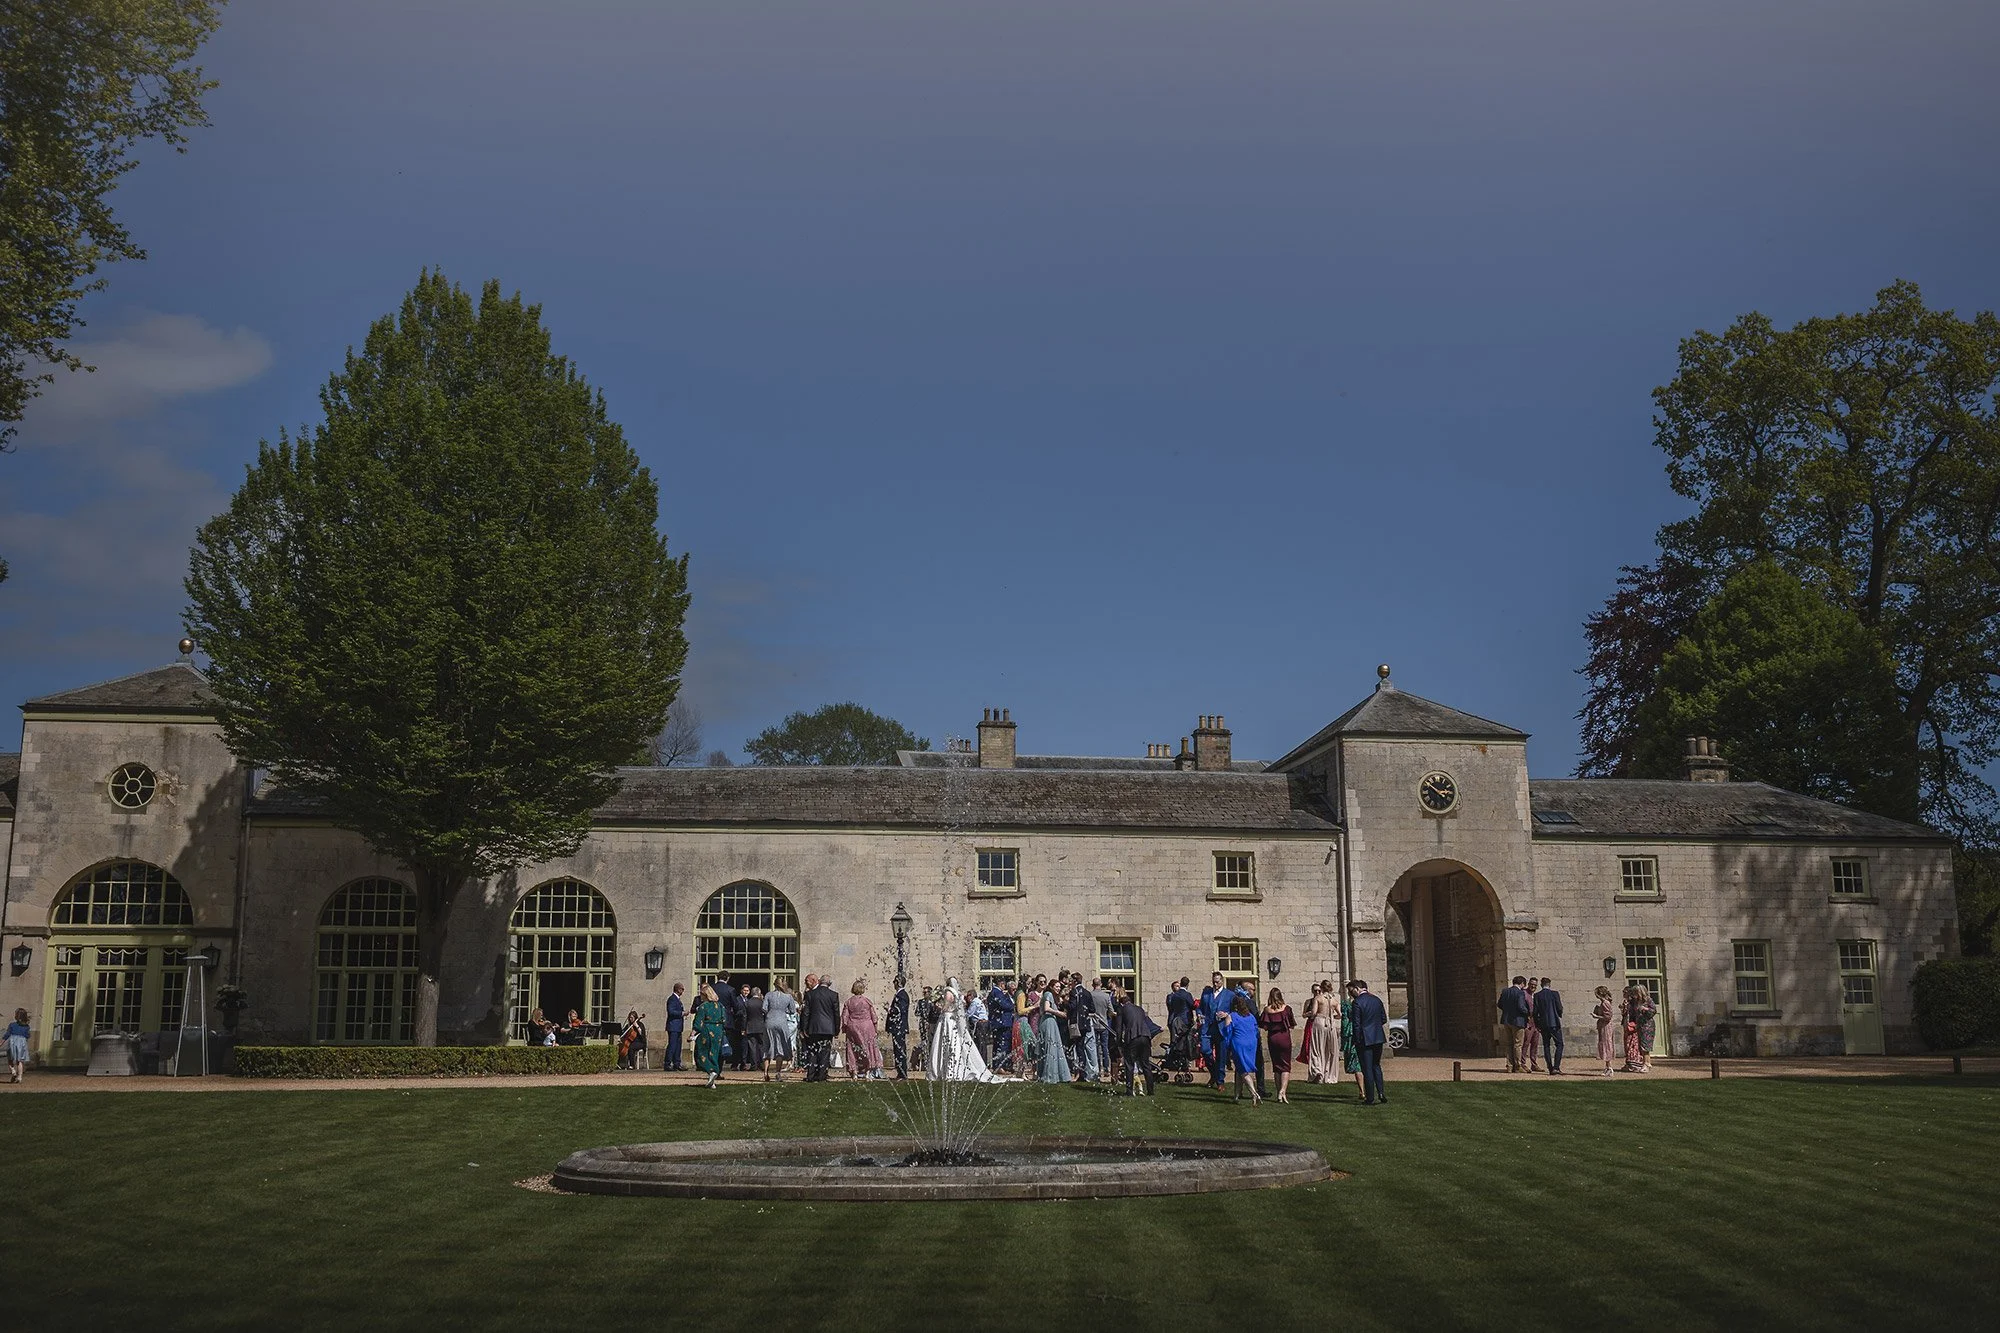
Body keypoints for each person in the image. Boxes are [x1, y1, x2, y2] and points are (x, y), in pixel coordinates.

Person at [927, 977, 1008, 1082]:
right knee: (953, 1043)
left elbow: (946, 1008)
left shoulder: (948, 992)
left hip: (947, 1019)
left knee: (945, 1043)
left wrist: (937, 1006)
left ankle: (947, 1070)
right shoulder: (957, 994)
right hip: (953, 1020)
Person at [1111, 989, 1161, 1096]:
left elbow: (1118, 1028)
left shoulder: (1121, 1009)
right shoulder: (1139, 1009)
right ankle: (1151, 1091)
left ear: (1121, 1002)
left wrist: (1119, 1043)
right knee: (1145, 1064)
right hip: (1146, 1036)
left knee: (1129, 1064)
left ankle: (1129, 1091)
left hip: (1133, 1036)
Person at [1219, 992, 1262, 1104]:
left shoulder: (1231, 1016)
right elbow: (1256, 1030)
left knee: (1243, 1070)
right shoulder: (1251, 1016)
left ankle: (1254, 1093)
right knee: (1239, 1069)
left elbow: (1227, 1032)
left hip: (1239, 1044)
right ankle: (1236, 1095)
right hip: (1251, 1044)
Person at [1351, 979, 1388, 1106]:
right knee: (1376, 1066)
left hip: (1365, 1039)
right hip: (1378, 1037)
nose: (1351, 993)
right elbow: (1384, 1018)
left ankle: (1370, 1097)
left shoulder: (1357, 1003)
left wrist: (1356, 1040)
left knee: (1367, 1069)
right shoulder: (1377, 1000)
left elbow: (1356, 1024)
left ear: (1357, 988)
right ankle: (1381, 1092)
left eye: (1351, 990)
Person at [801, 973, 841, 1082]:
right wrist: (837, 1029)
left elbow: (806, 1013)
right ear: (829, 983)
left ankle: (811, 1075)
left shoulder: (811, 994)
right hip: (828, 1028)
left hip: (813, 1027)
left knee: (813, 1051)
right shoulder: (833, 995)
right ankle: (822, 1076)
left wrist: (804, 1028)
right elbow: (836, 1014)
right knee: (825, 1052)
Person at [1261, 988, 1297, 1103]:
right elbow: (1292, 1025)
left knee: (1276, 1066)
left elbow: (1262, 1024)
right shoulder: (1286, 1009)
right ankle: (1283, 1091)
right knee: (1286, 1065)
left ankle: (1278, 1093)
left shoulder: (1267, 1009)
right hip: (1284, 1037)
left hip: (1273, 1038)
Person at [842, 979, 883, 1079]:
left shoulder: (849, 1002)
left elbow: (844, 1017)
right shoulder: (867, 1001)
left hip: (853, 1026)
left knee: (853, 1049)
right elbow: (874, 1017)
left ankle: (855, 1071)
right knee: (868, 1048)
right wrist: (876, 1028)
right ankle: (868, 1071)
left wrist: (844, 1028)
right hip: (867, 1027)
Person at [692, 982, 727, 1088]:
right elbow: (724, 1020)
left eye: (702, 995)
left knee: (701, 1053)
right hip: (718, 1031)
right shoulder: (720, 1006)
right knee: (714, 1053)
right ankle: (713, 1079)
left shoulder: (704, 1007)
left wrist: (692, 1034)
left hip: (707, 1031)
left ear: (706, 995)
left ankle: (711, 1071)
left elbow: (698, 1022)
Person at [1035, 985, 1071, 1084]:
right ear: (1051, 987)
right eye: (1056, 986)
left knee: (1053, 1047)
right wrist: (1059, 1013)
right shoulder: (1048, 994)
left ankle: (1053, 1073)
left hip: (1050, 1022)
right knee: (1050, 1047)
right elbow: (1046, 1008)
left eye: (1059, 987)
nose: (1058, 988)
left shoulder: (1050, 996)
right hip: (1048, 1021)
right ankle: (1050, 1074)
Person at [1306, 981, 1340, 1084]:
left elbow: (1314, 1012)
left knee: (1317, 1048)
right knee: (1330, 1050)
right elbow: (1340, 1015)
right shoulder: (1334, 1000)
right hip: (1331, 1024)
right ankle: (1329, 1076)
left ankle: (1317, 1072)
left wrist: (1308, 1014)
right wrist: (1332, 1017)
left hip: (1320, 1021)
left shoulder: (1318, 998)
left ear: (1321, 988)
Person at [763, 980, 798, 1081]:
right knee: (780, 1047)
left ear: (774, 985)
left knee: (767, 1046)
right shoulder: (788, 997)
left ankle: (766, 1072)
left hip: (769, 1021)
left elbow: (764, 1008)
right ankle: (778, 1073)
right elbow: (792, 1011)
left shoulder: (769, 995)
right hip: (781, 1021)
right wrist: (783, 1010)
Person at [1066, 980, 1100, 1081]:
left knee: (1077, 1049)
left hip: (1076, 1025)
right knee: (1083, 1048)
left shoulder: (1074, 992)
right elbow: (1092, 1009)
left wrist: (1064, 1003)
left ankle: (1080, 1073)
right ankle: (1085, 1072)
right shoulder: (1087, 993)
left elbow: (1072, 1007)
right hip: (1085, 1025)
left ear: (1075, 981)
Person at [1498, 975, 1532, 1072]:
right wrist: (1528, 1013)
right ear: (1522, 983)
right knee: (1518, 1044)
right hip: (1518, 1021)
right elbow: (1521, 1007)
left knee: (1509, 1044)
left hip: (1506, 1020)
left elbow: (1500, 1004)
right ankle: (1518, 1065)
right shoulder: (1520, 993)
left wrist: (1507, 1011)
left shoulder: (1505, 991)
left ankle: (1509, 1065)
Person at [1198, 972, 1226, 1087]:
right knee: (1205, 1051)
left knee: (1221, 1056)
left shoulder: (1229, 995)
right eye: (1214, 981)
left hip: (1221, 1028)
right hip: (1207, 1028)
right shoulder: (1206, 993)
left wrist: (1226, 1014)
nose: (1215, 984)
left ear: (1222, 981)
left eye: (1218, 981)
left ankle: (1220, 1081)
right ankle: (1214, 1073)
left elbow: (1234, 1011)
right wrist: (1199, 1014)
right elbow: (1200, 1008)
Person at [712, 973, 744, 1071]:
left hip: (713, 1018)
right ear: (728, 978)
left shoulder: (712, 988)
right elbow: (736, 1006)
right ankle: (719, 1069)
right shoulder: (730, 990)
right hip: (726, 1021)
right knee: (723, 1045)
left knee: (714, 1045)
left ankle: (713, 1068)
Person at [1532, 976, 1564, 1075]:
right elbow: (1559, 1007)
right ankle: (1556, 1067)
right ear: (1549, 984)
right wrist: (1559, 1014)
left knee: (1546, 1045)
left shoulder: (1537, 995)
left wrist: (1538, 1024)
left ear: (1541, 985)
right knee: (1559, 1044)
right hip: (1554, 1022)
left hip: (1543, 1024)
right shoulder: (1554, 994)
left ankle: (1550, 1068)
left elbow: (1535, 1012)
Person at [1623, 983, 1657, 1072]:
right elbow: (1632, 1013)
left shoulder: (1648, 1000)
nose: (1634, 995)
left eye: (1635, 993)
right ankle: (1645, 1063)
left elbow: (1653, 1011)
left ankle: (1647, 1064)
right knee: (1641, 1045)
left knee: (1645, 1045)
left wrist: (1645, 1009)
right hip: (1639, 1024)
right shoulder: (1635, 1002)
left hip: (1647, 1025)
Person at [1339, 982, 1364, 1096]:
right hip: (1359, 1034)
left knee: (1357, 1064)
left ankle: (1362, 1091)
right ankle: (1363, 1091)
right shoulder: (1360, 1002)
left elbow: (1345, 1021)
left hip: (1352, 1035)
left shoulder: (1349, 1004)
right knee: (1360, 1064)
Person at [885, 976, 912, 1079]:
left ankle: (902, 1072)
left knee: (900, 1049)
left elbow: (900, 1010)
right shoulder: (899, 994)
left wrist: (889, 1010)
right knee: (897, 1049)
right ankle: (900, 1072)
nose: (893, 983)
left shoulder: (902, 995)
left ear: (898, 983)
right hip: (897, 1027)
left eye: (894, 981)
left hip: (899, 1027)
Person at [986, 978, 1016, 1068]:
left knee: (1000, 1044)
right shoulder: (997, 992)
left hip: (1001, 1022)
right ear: (1001, 984)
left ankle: (1000, 1065)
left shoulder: (996, 992)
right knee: (1002, 1044)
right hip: (1001, 1022)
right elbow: (1004, 1005)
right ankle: (999, 1066)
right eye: (1004, 985)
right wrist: (1013, 1005)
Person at [1592, 984, 1618, 1077]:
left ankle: (1609, 1067)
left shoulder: (1605, 1003)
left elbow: (1608, 1017)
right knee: (1605, 1044)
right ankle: (1607, 1066)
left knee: (1607, 1045)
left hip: (1606, 1026)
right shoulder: (1604, 1003)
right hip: (1604, 1025)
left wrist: (1597, 1016)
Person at [741, 986, 768, 1074]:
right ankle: (761, 1063)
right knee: (761, 1046)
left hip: (750, 1026)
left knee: (752, 1046)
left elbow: (744, 1017)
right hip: (761, 1026)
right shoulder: (762, 1002)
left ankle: (754, 1065)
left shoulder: (748, 1002)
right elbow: (766, 1013)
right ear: (759, 993)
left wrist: (743, 1028)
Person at [1522, 978, 1543, 1071]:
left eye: (1535, 985)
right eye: (1531, 984)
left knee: (1535, 1044)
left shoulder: (1536, 995)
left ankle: (1534, 1064)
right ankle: (1522, 1063)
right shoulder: (1524, 994)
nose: (1533, 986)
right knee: (1525, 1044)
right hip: (1528, 1023)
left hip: (1536, 1023)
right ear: (1528, 984)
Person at [664, 983, 687, 1071]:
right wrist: (682, 1013)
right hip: (673, 1026)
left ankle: (677, 1063)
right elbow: (671, 1011)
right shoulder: (672, 999)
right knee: (672, 1045)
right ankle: (667, 1063)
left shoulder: (678, 1000)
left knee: (678, 1046)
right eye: (682, 989)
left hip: (678, 1026)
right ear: (678, 989)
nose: (683, 991)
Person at [967, 986, 990, 1063]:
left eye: (968, 996)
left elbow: (969, 1013)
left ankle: (981, 1062)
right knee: (983, 1043)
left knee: (980, 1043)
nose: (967, 998)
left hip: (981, 1024)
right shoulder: (979, 1001)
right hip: (984, 1023)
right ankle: (984, 1061)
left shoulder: (974, 1002)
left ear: (971, 996)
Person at [6, 1008, 30, 1083]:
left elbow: (7, 1034)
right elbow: (27, 1036)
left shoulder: (12, 1025)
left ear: (16, 1016)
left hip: (12, 1042)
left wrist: (1, 1042)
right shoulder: (26, 1026)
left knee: (10, 1059)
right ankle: (20, 1077)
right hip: (21, 1043)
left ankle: (13, 1072)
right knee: (20, 1061)